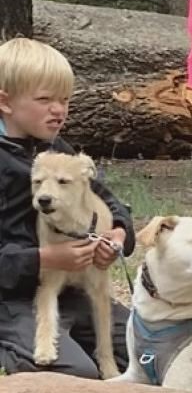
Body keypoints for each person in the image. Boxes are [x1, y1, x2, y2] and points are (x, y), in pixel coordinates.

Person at [0, 38, 133, 378]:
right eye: (45, 99)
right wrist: (42, 259)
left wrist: (117, 236)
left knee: (150, 347)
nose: (58, 110)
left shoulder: (56, 148)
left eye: (64, 100)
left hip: (72, 290)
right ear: (5, 102)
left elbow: (106, 199)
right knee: (73, 375)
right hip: (11, 301)